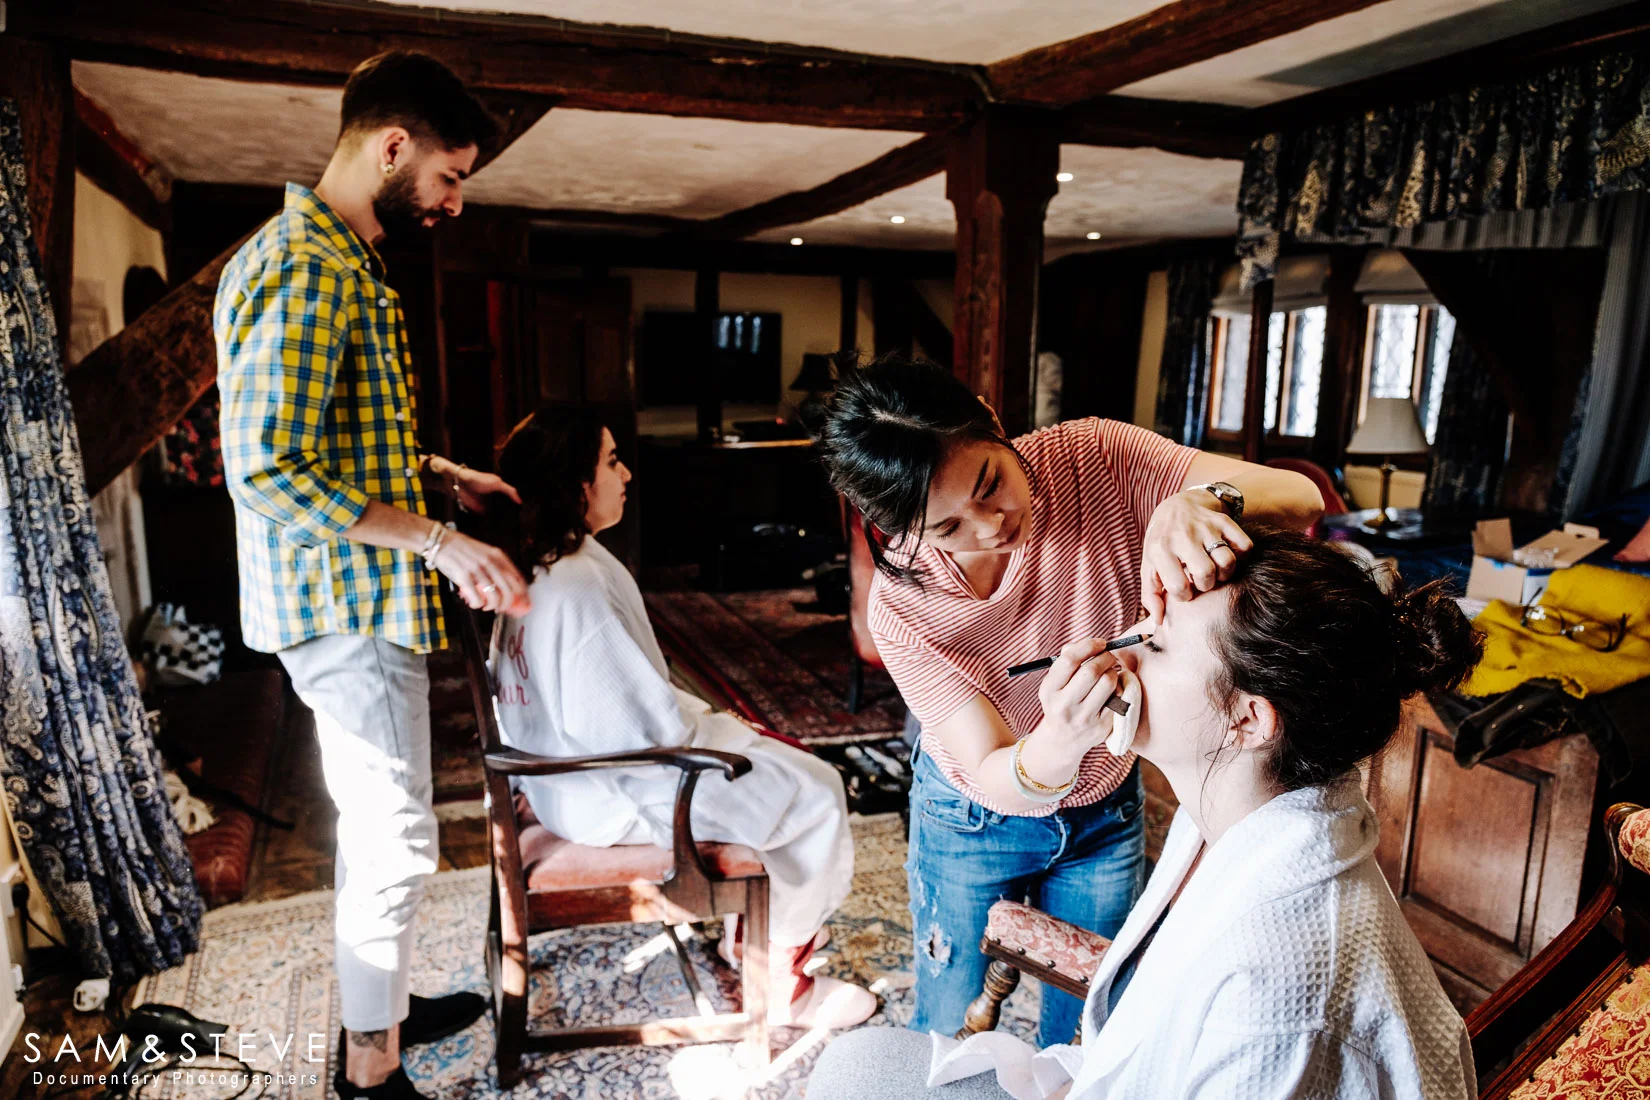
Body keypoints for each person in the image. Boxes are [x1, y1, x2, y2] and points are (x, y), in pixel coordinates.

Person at [807, 524, 1483, 1099]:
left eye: (1155, 644)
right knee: (852, 1065)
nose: (1119, 644)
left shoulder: (1278, 993)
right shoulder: (1229, 809)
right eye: (1144, 620)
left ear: (1248, 719)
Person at [814, 355, 1323, 1044]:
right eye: (948, 529)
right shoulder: (903, 606)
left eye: (992, 482)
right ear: (899, 530)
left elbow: (1301, 498)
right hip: (970, 816)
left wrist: (1200, 500)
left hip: (1104, 810)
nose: (992, 525)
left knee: (1090, 1027)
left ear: (993, 420)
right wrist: (1059, 740)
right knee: (945, 1026)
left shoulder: (1094, 458)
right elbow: (994, 767)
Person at [217, 51, 530, 1100]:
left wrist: (445, 474)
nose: (450, 201)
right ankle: (368, 1066)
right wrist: (440, 540)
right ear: (393, 145)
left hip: (355, 597)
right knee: (395, 833)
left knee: (384, 827)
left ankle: (380, 1003)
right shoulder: (305, 263)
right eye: (448, 175)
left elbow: (337, 437)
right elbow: (269, 468)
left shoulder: (341, 256)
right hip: (340, 604)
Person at [488, 404, 878, 1028]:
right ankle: (785, 984)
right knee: (818, 793)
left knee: (783, 762)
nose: (627, 476)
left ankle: (751, 932)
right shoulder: (578, 581)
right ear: (578, 485)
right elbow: (635, 733)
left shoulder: (540, 563)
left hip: (560, 781)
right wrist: (727, 737)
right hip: (610, 791)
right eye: (612, 462)